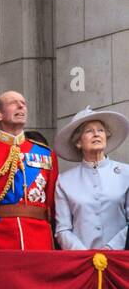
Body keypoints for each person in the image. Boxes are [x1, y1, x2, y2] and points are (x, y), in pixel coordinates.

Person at [0, 91, 57, 249]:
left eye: (24, 103)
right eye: (14, 103)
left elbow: (53, 206)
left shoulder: (46, 154)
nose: (21, 106)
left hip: (38, 239)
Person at [54, 107, 129, 251]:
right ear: (78, 142)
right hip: (81, 262)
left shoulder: (126, 173)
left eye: (100, 130)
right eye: (89, 131)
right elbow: (62, 229)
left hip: (121, 259)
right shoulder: (64, 181)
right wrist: (85, 255)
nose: (96, 134)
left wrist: (111, 249)